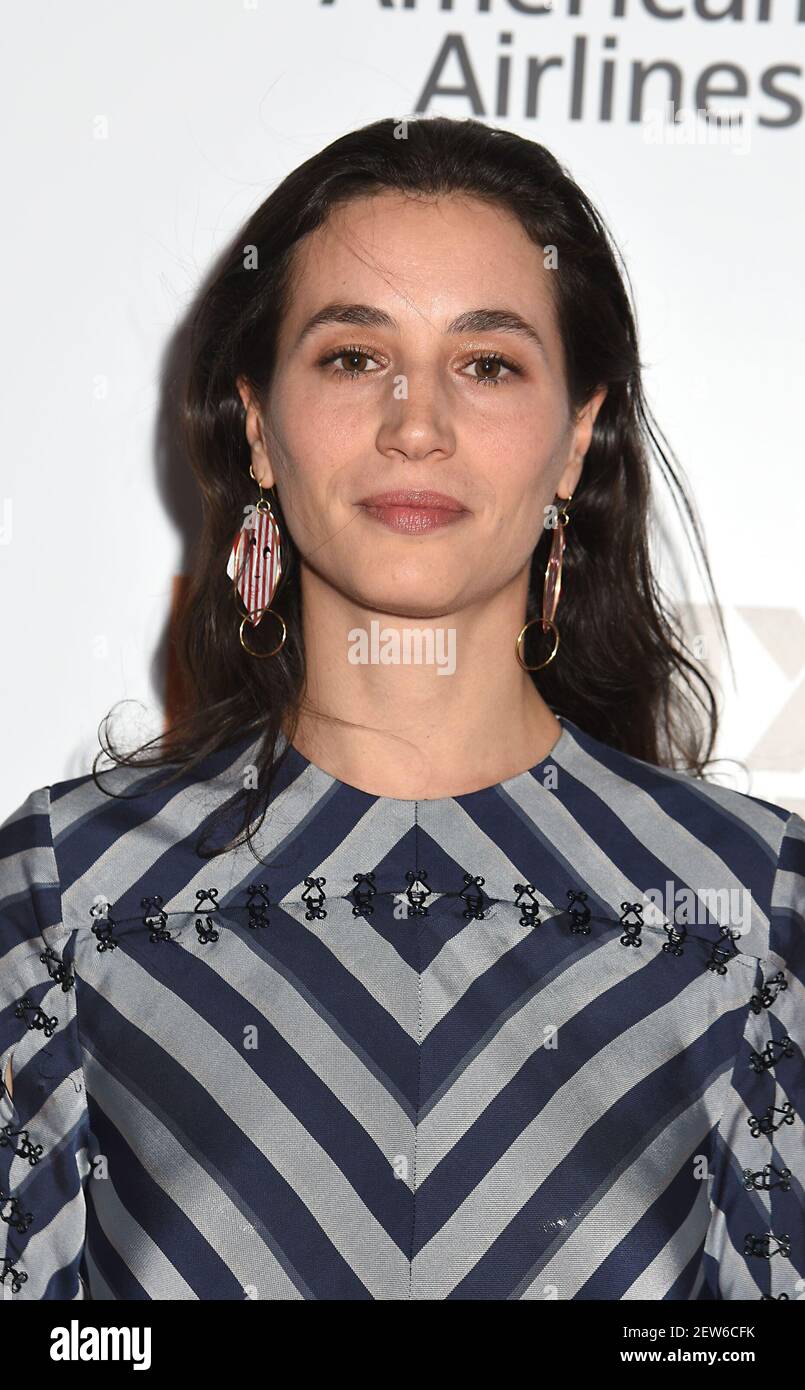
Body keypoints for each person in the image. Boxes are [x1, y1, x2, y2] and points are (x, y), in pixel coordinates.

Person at [1, 116, 802, 1302]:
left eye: (485, 364)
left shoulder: (753, 908)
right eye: (349, 357)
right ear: (259, 427)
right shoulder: (73, 892)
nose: (414, 425)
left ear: (577, 438)